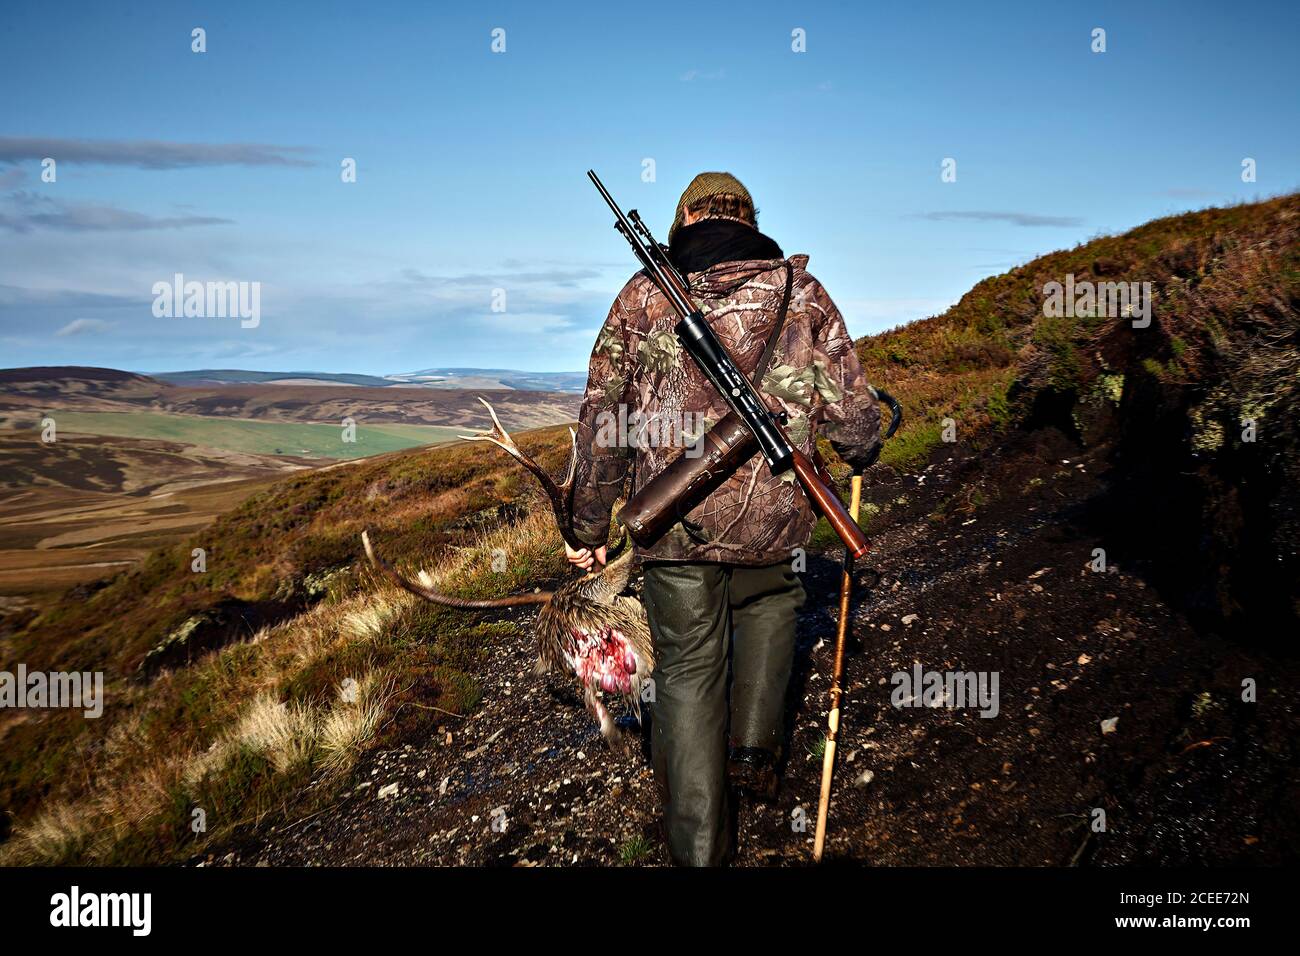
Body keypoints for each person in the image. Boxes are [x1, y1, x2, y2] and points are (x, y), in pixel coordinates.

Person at [566, 172, 881, 866]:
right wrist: (861, 448)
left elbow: (602, 422)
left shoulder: (642, 296)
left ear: (684, 218)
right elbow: (853, 411)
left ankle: (701, 848)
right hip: (774, 520)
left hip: (674, 530)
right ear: (750, 217)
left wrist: (586, 528)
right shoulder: (803, 293)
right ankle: (752, 755)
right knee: (770, 609)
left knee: (685, 673)